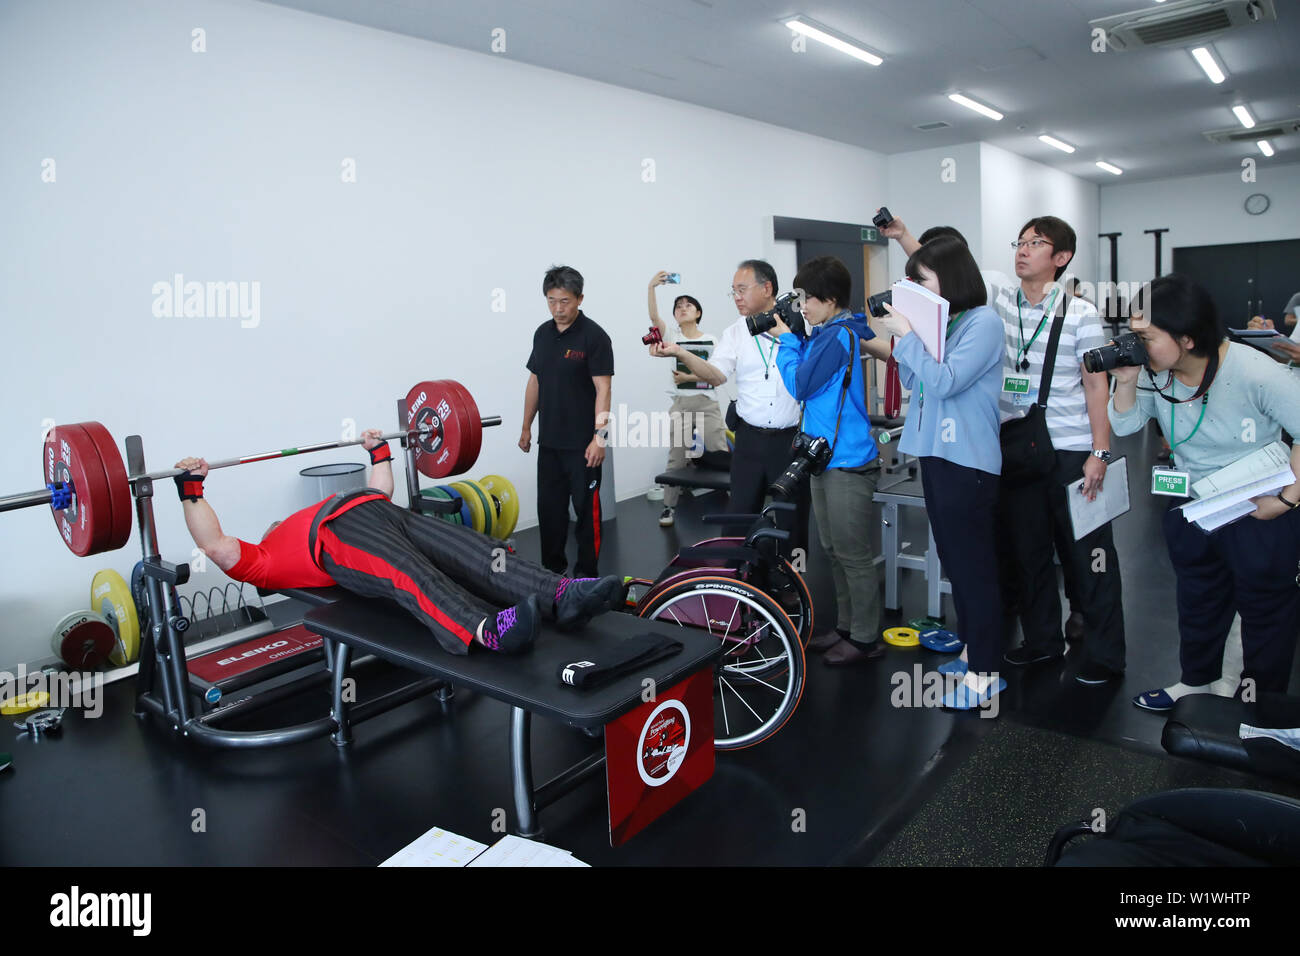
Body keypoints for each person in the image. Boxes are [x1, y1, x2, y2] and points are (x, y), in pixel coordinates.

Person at [885, 212, 1126, 685]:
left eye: (1037, 243)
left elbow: (1095, 384)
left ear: (1061, 258)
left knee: (1088, 555)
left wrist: (1100, 451)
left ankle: (1103, 654)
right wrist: (902, 238)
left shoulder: (1081, 313)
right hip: (1015, 443)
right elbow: (941, 274)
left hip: (1070, 444)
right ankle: (1041, 643)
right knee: (1027, 550)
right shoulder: (998, 304)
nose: (1023, 249)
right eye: (1020, 241)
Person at [173, 431, 623, 655]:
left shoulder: (325, 502)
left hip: (377, 509)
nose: (275, 523)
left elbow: (381, 488)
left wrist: (378, 452)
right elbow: (216, 545)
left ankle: (562, 595)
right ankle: (486, 631)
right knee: (410, 574)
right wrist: (192, 488)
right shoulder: (266, 559)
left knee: (473, 550)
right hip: (337, 539)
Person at [1109, 275, 1300, 710]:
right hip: (1195, 503)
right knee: (1199, 601)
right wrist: (1124, 379)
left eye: (1145, 337)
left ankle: (1256, 708)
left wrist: (1288, 500)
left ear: (1188, 338)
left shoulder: (1255, 371)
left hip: (1257, 507)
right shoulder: (1154, 374)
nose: (1136, 346)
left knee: (1264, 615)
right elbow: (1124, 425)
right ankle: (1195, 685)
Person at [877, 236, 1007, 707]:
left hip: (967, 461)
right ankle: (974, 653)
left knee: (974, 571)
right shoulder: (945, 324)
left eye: (922, 279)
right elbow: (914, 381)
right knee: (956, 565)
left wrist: (911, 337)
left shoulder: (983, 323)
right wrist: (905, 337)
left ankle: (988, 674)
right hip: (934, 455)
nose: (914, 288)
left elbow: (947, 381)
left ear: (950, 279)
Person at [769, 256, 886, 665]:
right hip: (824, 456)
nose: (803, 307)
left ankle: (867, 638)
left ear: (831, 299)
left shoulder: (838, 336)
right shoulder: (827, 334)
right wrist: (796, 339)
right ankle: (847, 627)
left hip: (848, 461)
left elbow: (800, 384)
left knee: (852, 553)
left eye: (809, 299)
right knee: (833, 549)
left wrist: (785, 340)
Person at [652, 260, 811, 555]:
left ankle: (794, 579)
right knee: (738, 514)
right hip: (749, 441)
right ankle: (734, 577)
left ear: (767, 288)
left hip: (789, 441)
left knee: (793, 518)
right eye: (733, 291)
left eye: (742, 289)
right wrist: (679, 352)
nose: (736, 296)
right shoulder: (736, 332)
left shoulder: (800, 324)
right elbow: (716, 374)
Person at [520, 265, 614, 577]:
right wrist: (525, 427)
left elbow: (604, 388)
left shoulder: (595, 337)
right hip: (549, 443)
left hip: (583, 446)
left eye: (565, 301)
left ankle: (587, 577)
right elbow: (535, 382)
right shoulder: (542, 334)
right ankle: (552, 574)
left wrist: (599, 437)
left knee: (586, 515)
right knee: (550, 513)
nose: (558, 309)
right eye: (551, 301)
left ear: (580, 299)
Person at [644, 270, 730, 528]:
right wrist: (651, 287)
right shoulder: (673, 336)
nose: (682, 308)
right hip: (681, 405)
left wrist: (688, 378)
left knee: (721, 453)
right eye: (678, 306)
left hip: (707, 401)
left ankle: (737, 501)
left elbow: (714, 374)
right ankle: (669, 507)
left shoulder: (712, 339)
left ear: (698, 313)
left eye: (688, 305)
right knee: (676, 458)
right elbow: (652, 317)